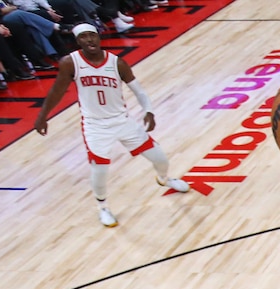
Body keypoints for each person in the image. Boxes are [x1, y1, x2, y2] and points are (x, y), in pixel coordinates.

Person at [33, 23, 189, 227]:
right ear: (77, 41)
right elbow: (57, 91)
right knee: (100, 169)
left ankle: (164, 178)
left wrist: (148, 110)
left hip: (122, 121)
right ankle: (103, 207)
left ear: (99, 38)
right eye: (84, 37)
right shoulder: (70, 63)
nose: (89, 40)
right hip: (95, 125)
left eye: (92, 35)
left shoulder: (117, 63)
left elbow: (139, 90)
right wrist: (43, 116)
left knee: (160, 158)